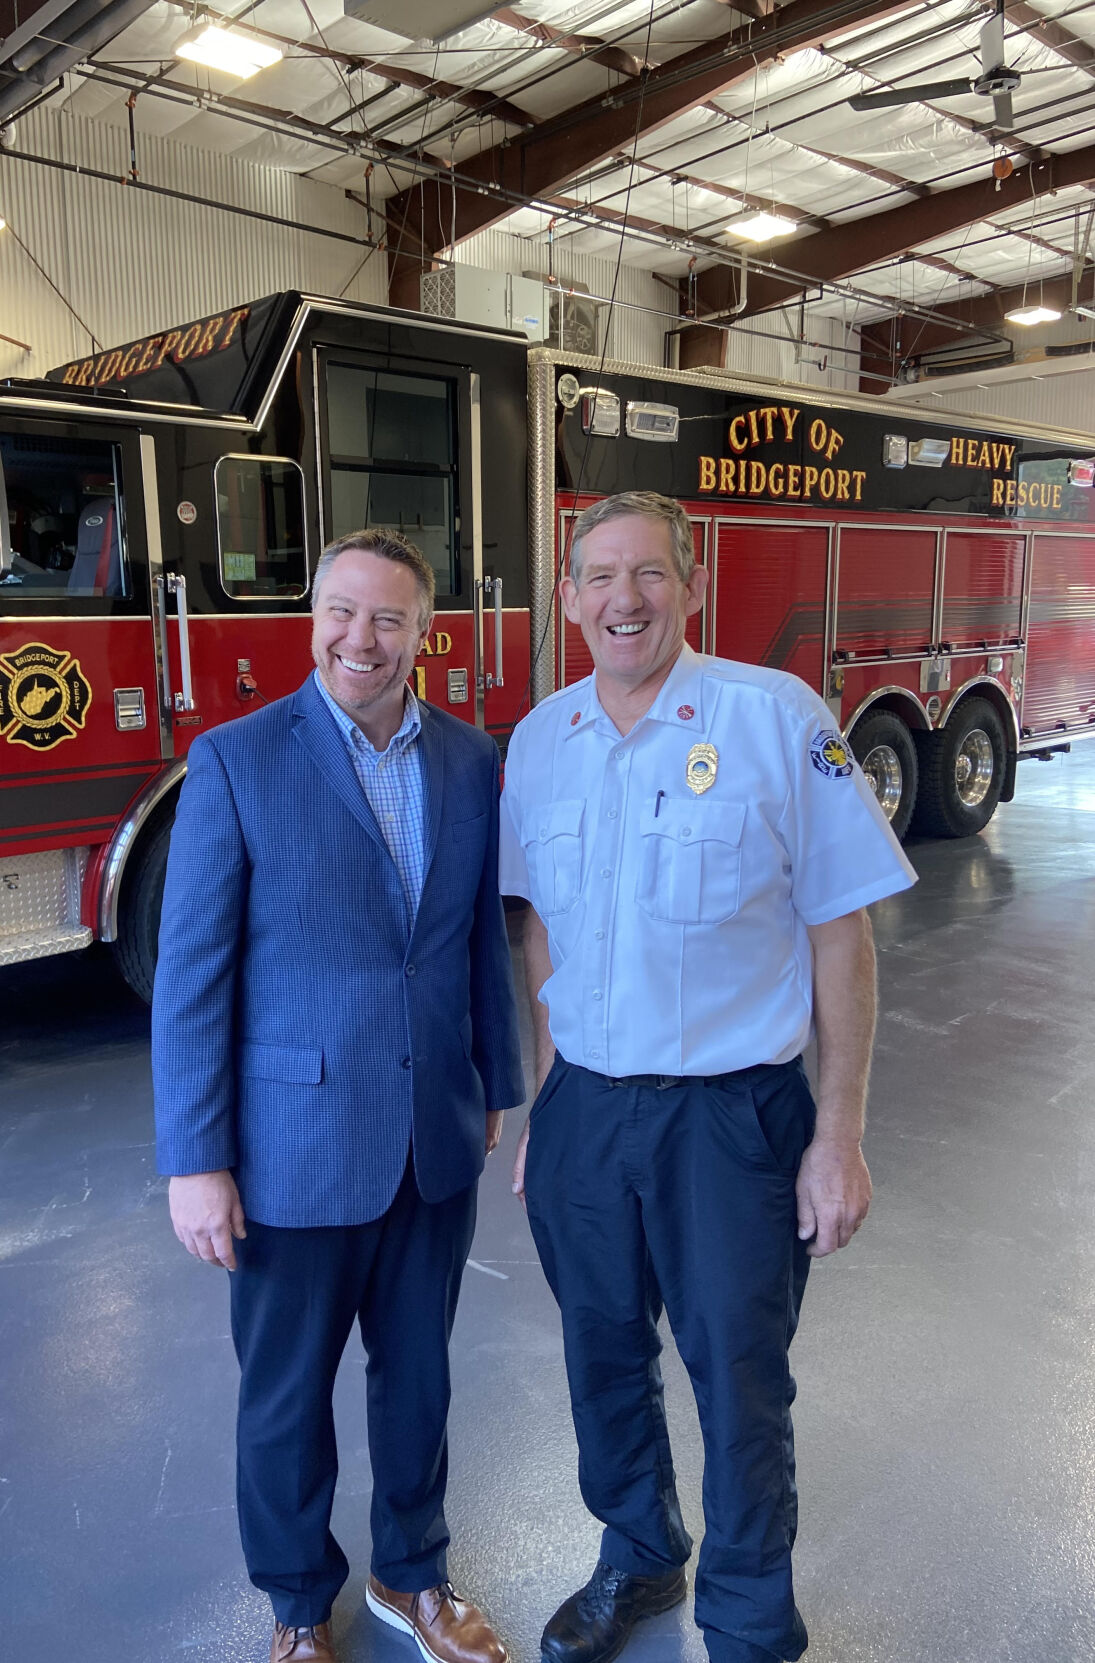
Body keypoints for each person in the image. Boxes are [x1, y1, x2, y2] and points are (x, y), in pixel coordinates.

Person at [499, 492, 916, 1663]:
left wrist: (836, 1137)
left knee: (737, 1376)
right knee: (599, 1354)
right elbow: (539, 935)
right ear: (569, 596)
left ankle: (745, 1618)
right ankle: (636, 1553)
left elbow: (841, 934)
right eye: (598, 578)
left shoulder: (776, 719)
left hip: (732, 1118)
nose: (622, 599)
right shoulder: (539, 743)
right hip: (585, 1110)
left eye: (647, 575)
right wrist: (548, 1105)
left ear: (690, 587)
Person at [153, 527, 525, 1663]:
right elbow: (191, 973)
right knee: (284, 1400)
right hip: (290, 1147)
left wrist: (493, 1081)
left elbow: (470, 944)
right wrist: (194, 1158)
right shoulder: (235, 760)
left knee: (419, 1379)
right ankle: (297, 1606)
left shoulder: (467, 761)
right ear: (311, 619)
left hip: (432, 1140)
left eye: (388, 617)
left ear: (425, 632)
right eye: (340, 612)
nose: (360, 637)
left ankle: (412, 1574)